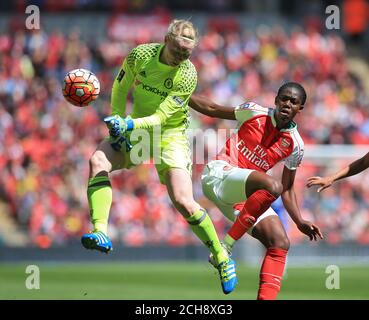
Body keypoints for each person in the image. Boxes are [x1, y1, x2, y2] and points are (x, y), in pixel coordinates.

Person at [80, 19, 237, 294]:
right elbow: (120, 86)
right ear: (166, 39)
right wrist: (116, 119)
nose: (180, 57)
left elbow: (162, 116)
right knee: (98, 161)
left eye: (186, 53)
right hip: (137, 129)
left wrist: (127, 125)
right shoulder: (141, 55)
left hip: (170, 136)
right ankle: (100, 230)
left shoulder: (188, 74)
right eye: (177, 49)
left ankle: (221, 256)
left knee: (183, 200)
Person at [189, 82, 323, 300]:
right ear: (276, 100)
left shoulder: (295, 145)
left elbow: (288, 189)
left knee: (280, 242)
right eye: (284, 98)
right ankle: (225, 248)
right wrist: (181, 94)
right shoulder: (255, 112)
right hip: (219, 175)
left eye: (294, 102)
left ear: (301, 108)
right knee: (271, 186)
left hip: (243, 199)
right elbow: (213, 108)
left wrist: (299, 221)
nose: (287, 104)